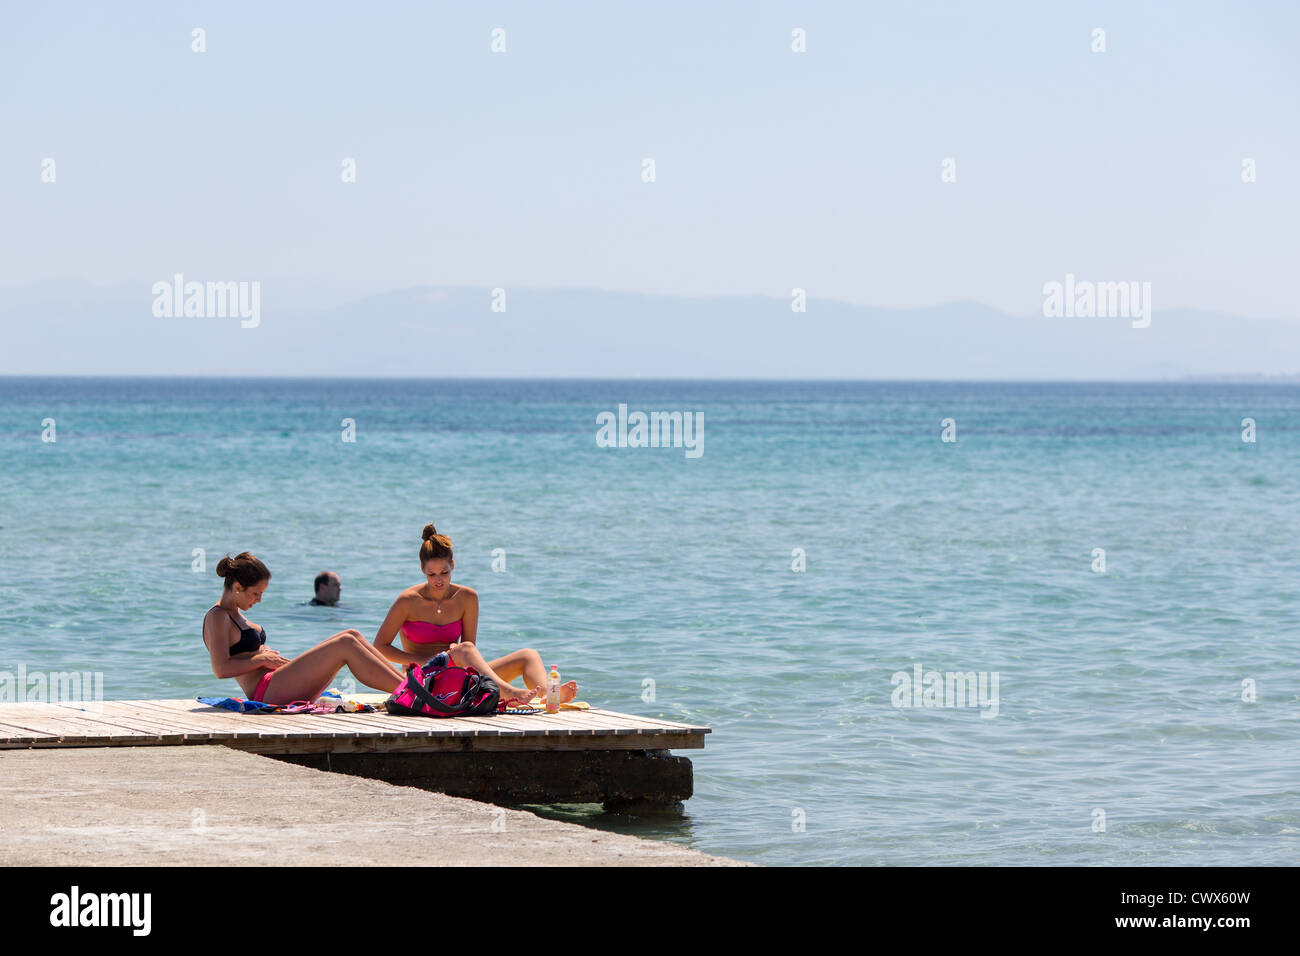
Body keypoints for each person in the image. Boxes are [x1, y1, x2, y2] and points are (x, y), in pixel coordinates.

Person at [372, 524, 577, 706]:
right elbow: (380, 648)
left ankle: (549, 696)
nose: (438, 580)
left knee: (528, 655)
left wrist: (454, 652)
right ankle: (508, 692)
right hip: (424, 679)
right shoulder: (408, 600)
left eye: (444, 572)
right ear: (422, 570)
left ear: (452, 565)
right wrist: (423, 659)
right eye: (431, 574)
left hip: (456, 674)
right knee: (465, 650)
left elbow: (469, 646)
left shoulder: (467, 597)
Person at [202, 552, 400, 705]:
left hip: (275, 682)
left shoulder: (235, 613)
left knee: (351, 634)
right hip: (266, 691)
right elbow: (220, 669)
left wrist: (261, 654)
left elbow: (241, 654)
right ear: (237, 587)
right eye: (255, 593)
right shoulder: (218, 616)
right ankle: (408, 692)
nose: (259, 599)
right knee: (345, 644)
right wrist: (262, 658)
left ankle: (410, 685)